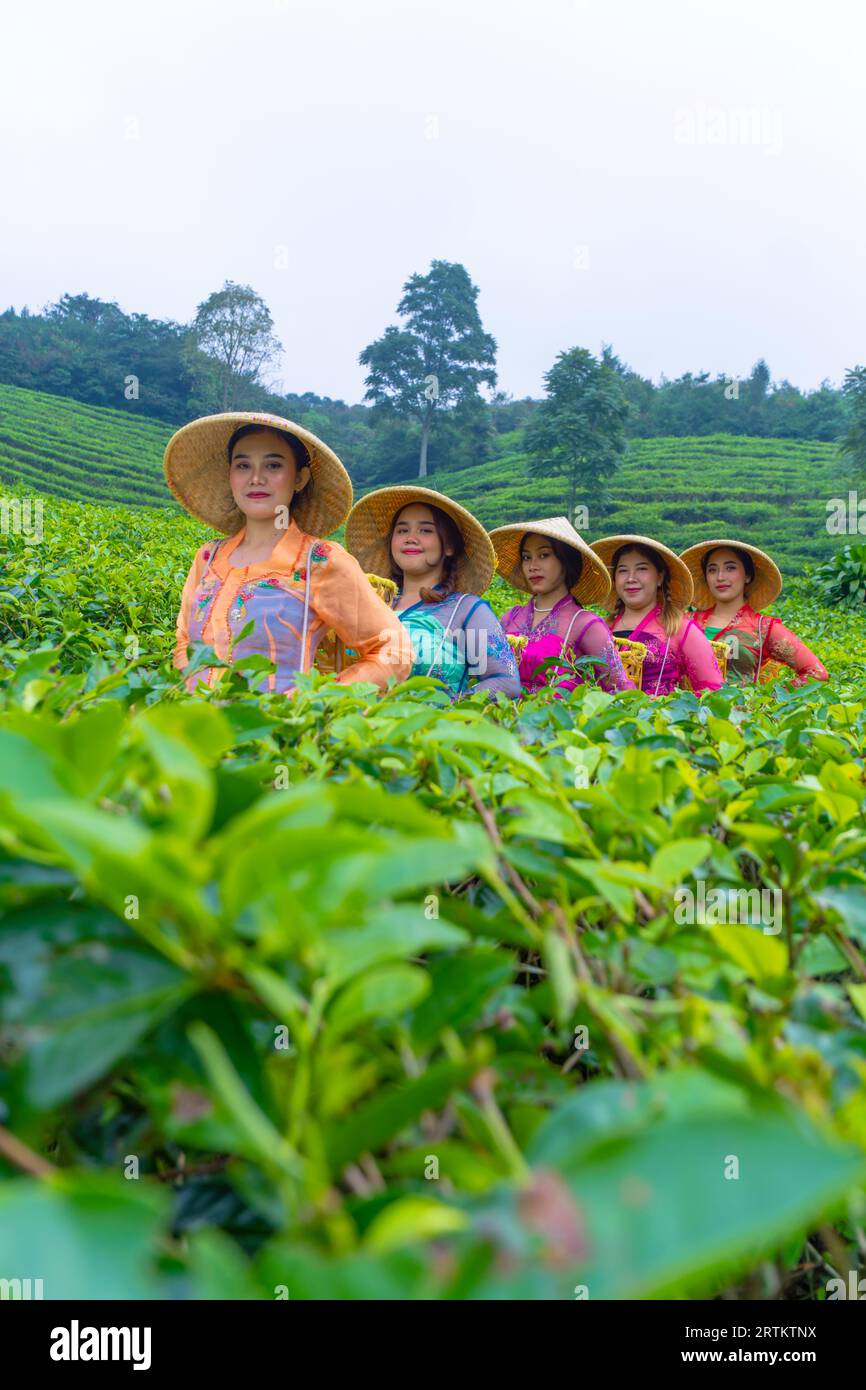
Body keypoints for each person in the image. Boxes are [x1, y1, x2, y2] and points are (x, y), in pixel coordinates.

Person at [165, 412, 413, 694]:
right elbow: (184, 640)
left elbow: (394, 651)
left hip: (276, 732)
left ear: (300, 478)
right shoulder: (208, 558)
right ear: (230, 475)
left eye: (273, 465)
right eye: (243, 465)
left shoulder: (319, 560)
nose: (256, 478)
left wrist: (318, 700)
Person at [345, 485, 520, 700]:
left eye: (426, 530)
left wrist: (451, 708)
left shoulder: (467, 610)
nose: (411, 537)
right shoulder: (375, 605)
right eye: (402, 530)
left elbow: (506, 682)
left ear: (448, 546)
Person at [489, 516, 635, 694]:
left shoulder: (585, 624)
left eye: (544, 555)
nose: (532, 566)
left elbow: (619, 688)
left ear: (566, 560)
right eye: (527, 557)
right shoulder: (510, 618)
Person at [680, 539, 828, 686]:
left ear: (748, 576)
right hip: (684, 708)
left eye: (730, 568)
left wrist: (772, 697)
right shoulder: (685, 622)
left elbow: (817, 673)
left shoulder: (763, 628)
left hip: (739, 709)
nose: (720, 577)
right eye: (712, 570)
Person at [591, 533, 723, 696]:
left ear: (660, 577)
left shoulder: (680, 628)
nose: (631, 578)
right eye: (623, 571)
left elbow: (713, 690)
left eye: (642, 569)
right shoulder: (601, 628)